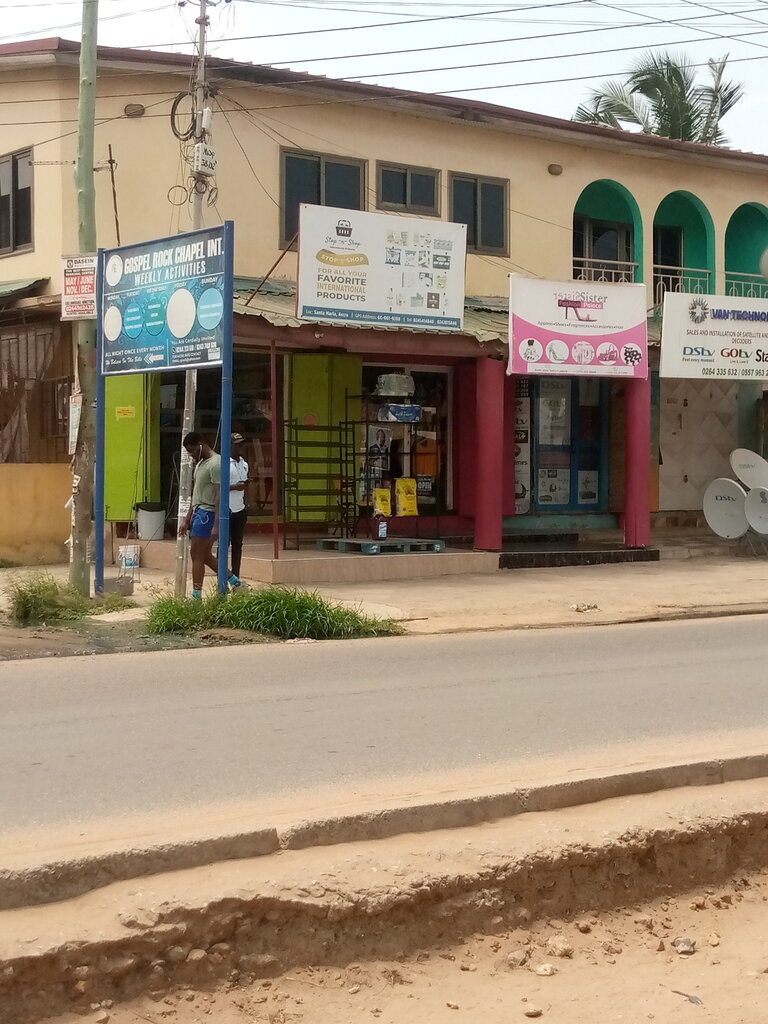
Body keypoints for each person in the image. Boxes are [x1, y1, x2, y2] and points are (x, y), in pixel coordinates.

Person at [179, 431, 239, 598]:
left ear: (200, 444)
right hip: (199, 512)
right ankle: (235, 582)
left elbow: (220, 494)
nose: (191, 455)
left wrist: (217, 524)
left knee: (196, 554)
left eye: (192, 451)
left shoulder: (216, 463)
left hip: (209, 513)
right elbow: (196, 493)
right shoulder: (201, 464)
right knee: (204, 555)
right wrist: (187, 518)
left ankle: (196, 596)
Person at [227, 432, 249, 582]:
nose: (241, 447)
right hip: (226, 510)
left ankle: (236, 577)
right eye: (237, 445)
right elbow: (218, 487)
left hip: (240, 510)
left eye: (242, 444)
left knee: (237, 546)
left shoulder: (244, 464)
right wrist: (235, 487)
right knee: (224, 545)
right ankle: (223, 577)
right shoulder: (224, 464)